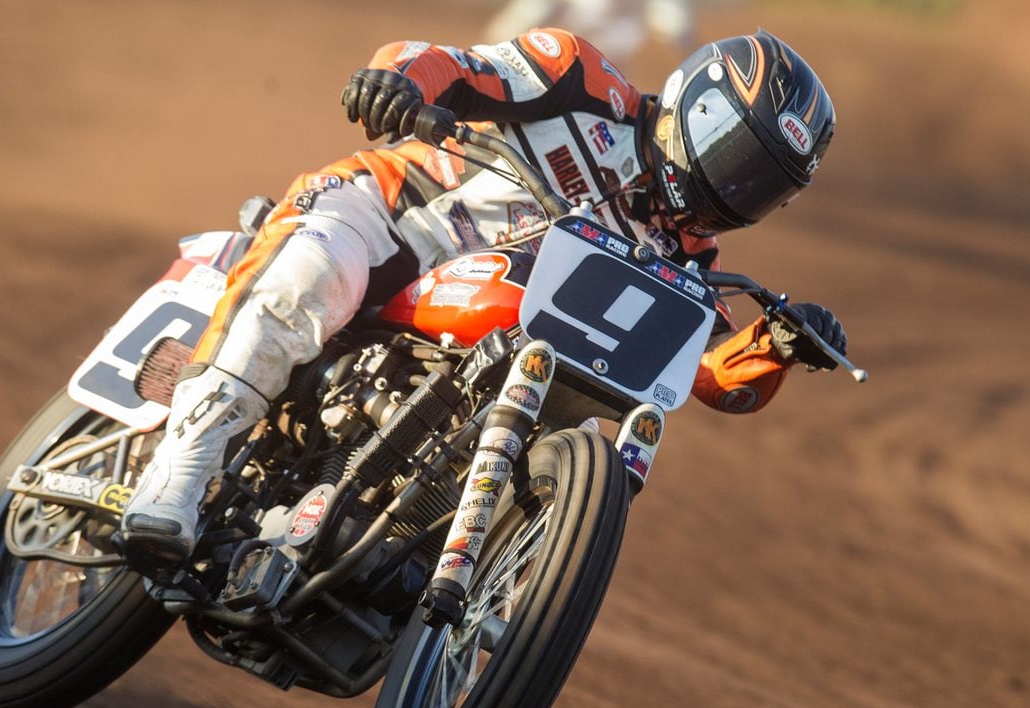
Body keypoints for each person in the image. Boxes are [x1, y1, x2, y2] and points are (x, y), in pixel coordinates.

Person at [121, 28, 847, 562]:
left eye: (763, 185)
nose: (738, 189)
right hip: (395, 222)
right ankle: (180, 471)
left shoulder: (686, 266)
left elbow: (700, 378)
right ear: (700, 108)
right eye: (740, 159)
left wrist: (771, 348)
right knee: (313, 270)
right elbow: (453, 65)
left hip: (486, 343)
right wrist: (399, 83)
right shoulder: (581, 80)